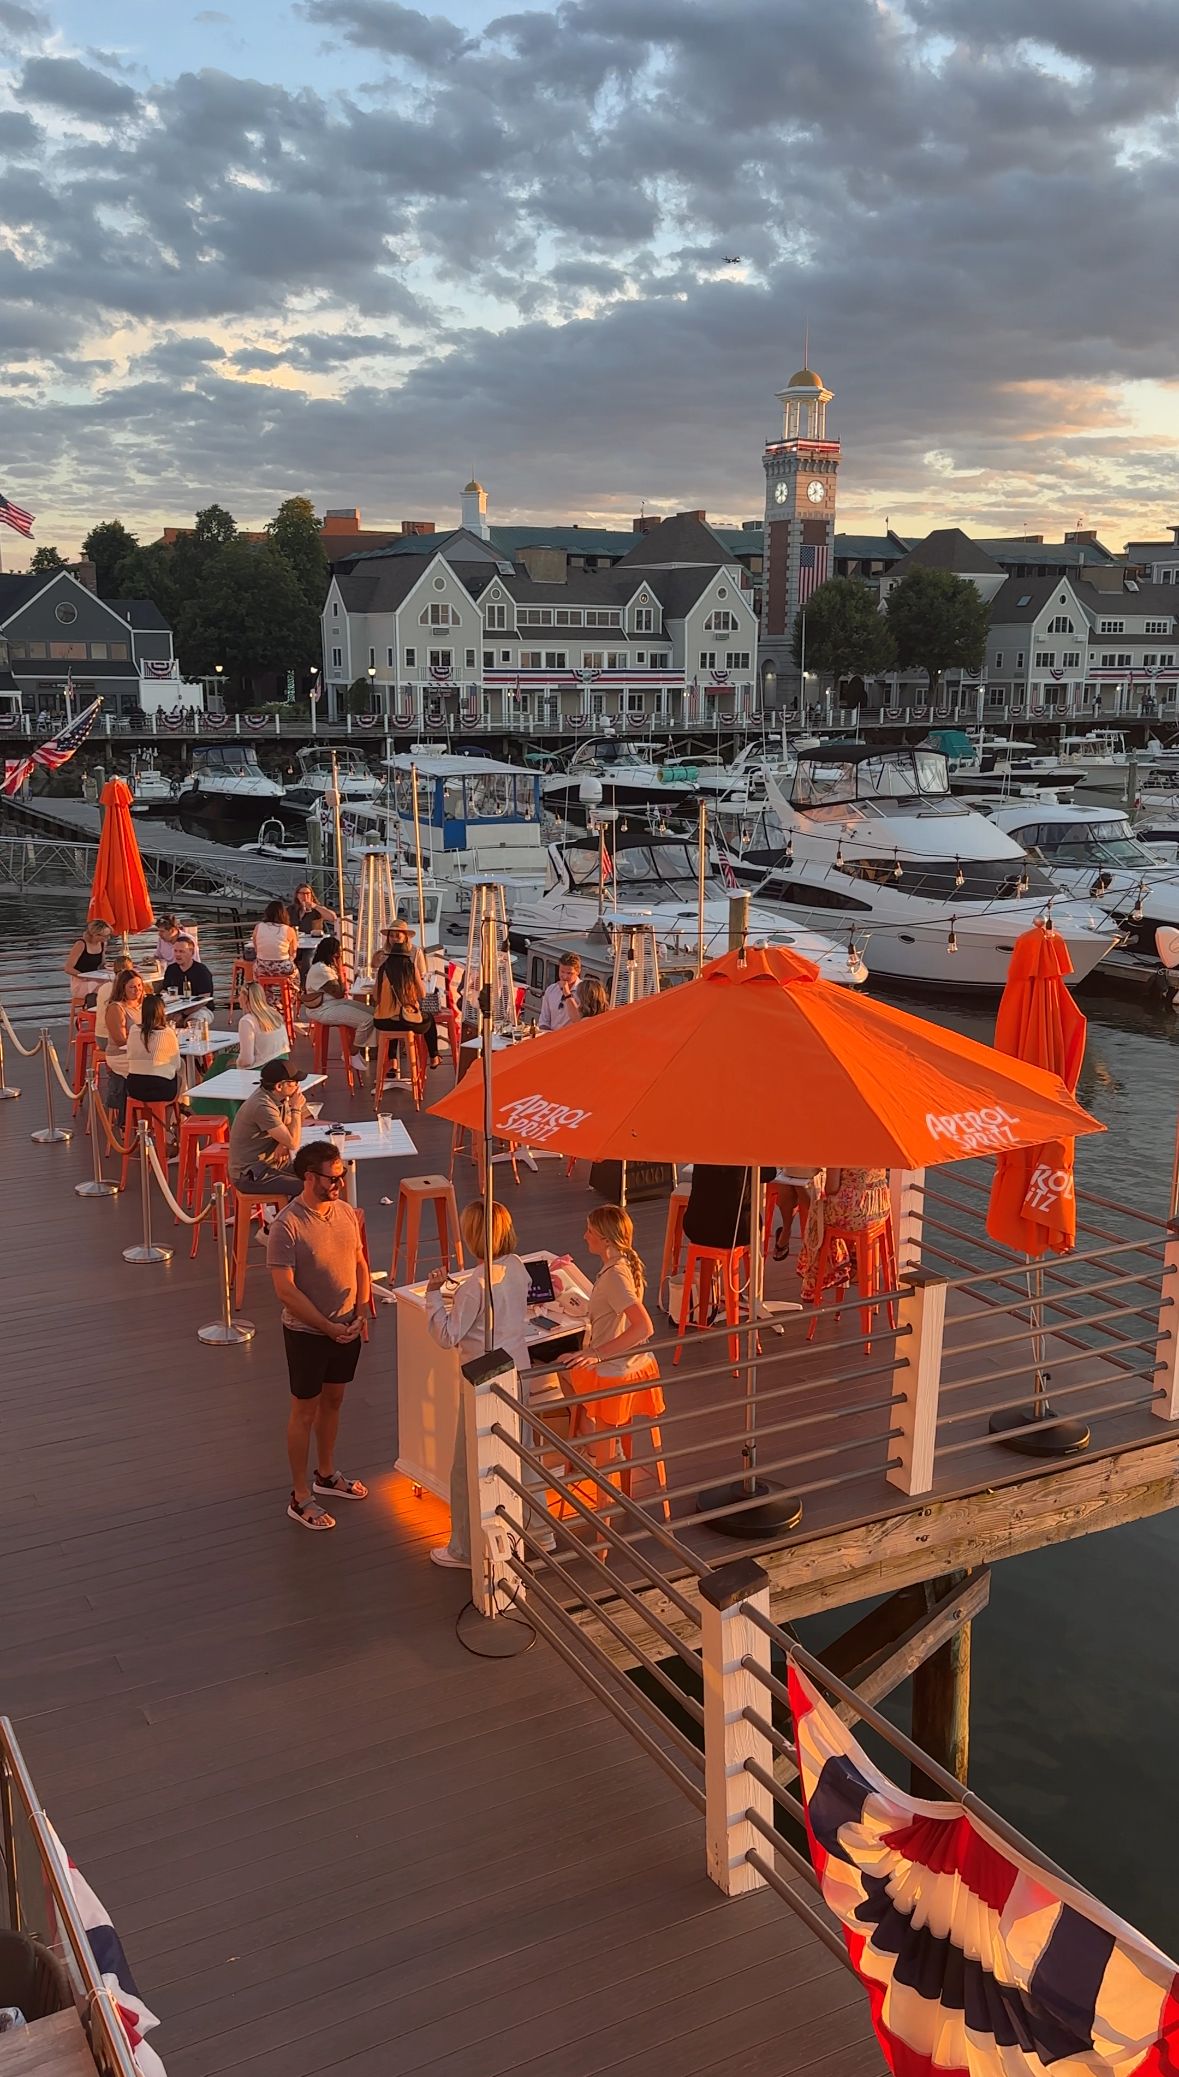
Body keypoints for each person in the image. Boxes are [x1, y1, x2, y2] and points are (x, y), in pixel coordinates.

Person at [268, 1142, 371, 1531]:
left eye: (341, 1176)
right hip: (307, 1334)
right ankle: (300, 1495)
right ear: (309, 1177)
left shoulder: (345, 1213)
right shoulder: (287, 1226)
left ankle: (326, 1474)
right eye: (333, 1177)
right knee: (304, 1410)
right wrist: (327, 1327)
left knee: (335, 1400)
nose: (339, 1184)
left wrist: (361, 1311)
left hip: (346, 1326)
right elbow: (285, 1291)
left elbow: (359, 1262)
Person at [424, 1202, 532, 1569]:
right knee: (522, 1457)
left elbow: (447, 1334)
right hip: (517, 1370)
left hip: (483, 1381)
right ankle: (537, 1534)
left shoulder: (475, 1287)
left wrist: (433, 1294)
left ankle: (465, 1548)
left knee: (467, 1466)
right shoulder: (517, 1268)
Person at [558, 1204, 654, 1388]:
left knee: (562, 1364)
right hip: (636, 1363)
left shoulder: (614, 1276)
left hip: (613, 1371)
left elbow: (644, 1327)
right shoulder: (627, 1264)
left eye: (590, 1231)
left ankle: (584, 1414)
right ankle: (585, 1415)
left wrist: (597, 1353)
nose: (585, 1236)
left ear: (607, 1240)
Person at [798, 1167, 891, 1302]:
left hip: (854, 1213)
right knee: (824, 1209)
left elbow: (831, 1188)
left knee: (817, 1213)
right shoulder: (881, 1145)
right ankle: (852, 1257)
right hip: (879, 1209)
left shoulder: (840, 1147)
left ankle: (827, 1273)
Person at [228, 1056, 308, 1200]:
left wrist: (281, 1142)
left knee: (316, 1175)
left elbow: (289, 1124)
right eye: (294, 1082)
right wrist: (296, 1108)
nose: (298, 1086)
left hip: (271, 1163)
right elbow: (293, 1143)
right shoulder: (263, 1106)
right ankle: (290, 1220)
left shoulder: (278, 1097)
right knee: (308, 1188)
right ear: (279, 1086)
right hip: (250, 1174)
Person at [302, 935, 374, 1068]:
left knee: (375, 1013)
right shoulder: (322, 970)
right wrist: (340, 969)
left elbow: (340, 993)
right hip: (323, 1008)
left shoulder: (325, 967)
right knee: (367, 1020)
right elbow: (339, 992)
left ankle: (362, 1047)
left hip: (334, 1003)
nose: (339, 955)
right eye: (337, 953)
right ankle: (352, 1053)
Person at [683, 1164, 776, 1253]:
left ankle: (707, 1263)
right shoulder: (746, 1155)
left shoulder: (703, 1151)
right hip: (737, 1232)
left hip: (696, 1228)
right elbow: (770, 1173)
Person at [373, 946, 441, 1067]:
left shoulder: (382, 969)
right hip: (406, 1022)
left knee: (394, 1016)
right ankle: (434, 1056)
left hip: (382, 1022)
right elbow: (423, 994)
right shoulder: (410, 968)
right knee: (428, 1018)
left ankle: (392, 1061)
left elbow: (375, 996)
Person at [102, 968, 145, 1129]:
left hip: (139, 1052)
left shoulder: (141, 1006)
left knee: (175, 1066)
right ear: (123, 988)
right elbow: (120, 1041)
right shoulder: (116, 1008)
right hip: (120, 1055)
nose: (137, 990)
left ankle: (180, 1109)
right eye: (132, 987)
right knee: (151, 1071)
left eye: (140, 986)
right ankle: (136, 1116)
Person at [125, 988, 181, 1105]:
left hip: (135, 1087)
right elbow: (177, 1065)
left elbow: (129, 1055)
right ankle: (169, 1119)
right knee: (180, 1074)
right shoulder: (167, 1032)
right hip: (160, 1089)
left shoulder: (134, 1030)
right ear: (162, 1012)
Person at [236, 981, 289, 1070]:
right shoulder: (274, 1014)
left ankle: (206, 1082)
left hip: (263, 1069)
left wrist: (236, 1062)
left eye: (240, 995)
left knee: (222, 1062)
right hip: (282, 1065)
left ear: (245, 998)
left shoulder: (247, 1021)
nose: (238, 998)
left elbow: (247, 1061)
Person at [63, 918, 111, 1003]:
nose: (108, 938)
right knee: (106, 989)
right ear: (95, 935)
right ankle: (99, 1012)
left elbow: (101, 965)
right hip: (81, 982)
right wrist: (85, 976)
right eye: (105, 936)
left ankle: (106, 1012)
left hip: (95, 979)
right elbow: (68, 968)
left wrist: (111, 967)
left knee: (114, 985)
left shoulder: (102, 944)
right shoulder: (81, 944)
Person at [161, 935, 215, 1009]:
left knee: (194, 1020)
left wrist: (185, 1014)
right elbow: (165, 990)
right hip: (176, 1007)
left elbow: (204, 999)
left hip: (200, 1008)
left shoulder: (202, 971)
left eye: (181, 951)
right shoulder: (171, 969)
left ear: (191, 952)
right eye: (175, 951)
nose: (177, 954)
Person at [251, 899, 298, 979]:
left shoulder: (258, 927)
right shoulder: (288, 929)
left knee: (258, 971)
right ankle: (294, 990)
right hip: (282, 968)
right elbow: (293, 952)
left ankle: (264, 990)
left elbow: (256, 948)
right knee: (296, 974)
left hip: (262, 967)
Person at [538, 951, 581, 1032]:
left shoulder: (583, 991)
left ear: (578, 972)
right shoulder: (551, 990)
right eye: (562, 972)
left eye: (569, 973)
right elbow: (544, 1019)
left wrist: (567, 992)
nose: (564, 976)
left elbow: (579, 1020)